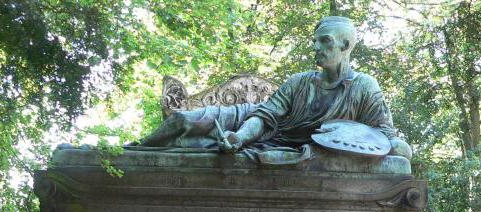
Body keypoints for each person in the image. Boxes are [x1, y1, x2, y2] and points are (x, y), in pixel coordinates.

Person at [134, 16, 411, 161]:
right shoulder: (299, 82)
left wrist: (394, 148)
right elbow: (264, 116)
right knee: (183, 119)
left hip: (280, 143)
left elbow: (385, 137)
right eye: (315, 41)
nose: (316, 47)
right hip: (251, 122)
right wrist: (240, 138)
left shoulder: (365, 88)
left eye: (324, 41)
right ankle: (132, 152)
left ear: (345, 46)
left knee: (195, 146)